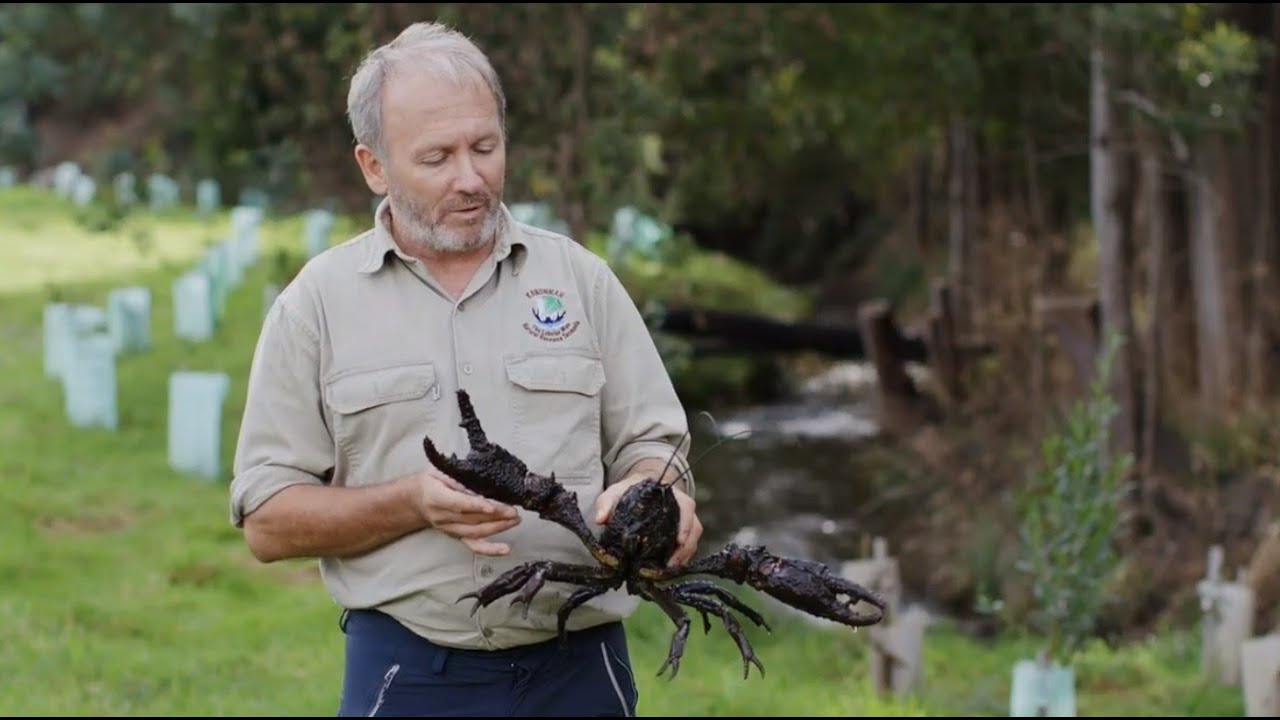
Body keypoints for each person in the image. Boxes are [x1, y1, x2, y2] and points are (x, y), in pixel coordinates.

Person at [228, 19, 701, 718]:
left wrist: (663, 496)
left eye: (485, 147)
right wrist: (410, 502)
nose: (471, 178)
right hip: (410, 672)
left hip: (582, 670)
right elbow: (267, 521)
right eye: (438, 157)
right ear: (374, 166)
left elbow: (654, 447)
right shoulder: (316, 306)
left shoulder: (581, 280)